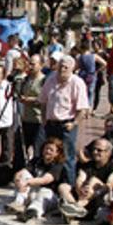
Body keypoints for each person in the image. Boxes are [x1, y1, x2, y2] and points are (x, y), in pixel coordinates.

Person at [39, 55, 90, 184]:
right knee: (50, 155)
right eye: (61, 66)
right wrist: (44, 119)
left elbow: (82, 108)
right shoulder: (50, 79)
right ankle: (50, 183)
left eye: (66, 67)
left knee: (67, 157)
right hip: (51, 123)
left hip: (67, 124)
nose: (62, 69)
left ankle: (68, 186)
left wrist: (74, 123)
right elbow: (43, 101)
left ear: (72, 68)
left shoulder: (77, 83)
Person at [5, 137, 68, 222]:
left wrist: (27, 182)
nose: (48, 151)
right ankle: (18, 203)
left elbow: (45, 180)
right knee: (24, 175)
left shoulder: (58, 166)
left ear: (57, 153)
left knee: (43, 193)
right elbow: (20, 173)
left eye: (51, 150)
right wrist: (17, 181)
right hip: (34, 192)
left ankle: (30, 213)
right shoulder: (36, 160)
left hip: (50, 196)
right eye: (46, 148)